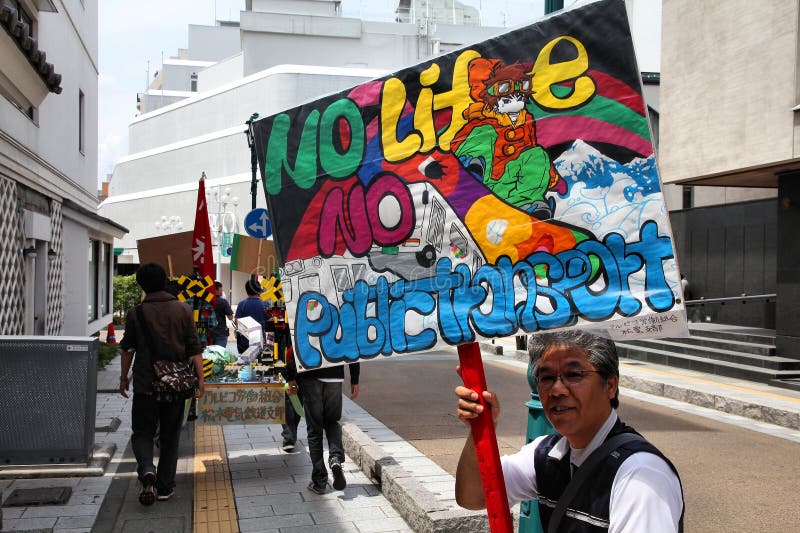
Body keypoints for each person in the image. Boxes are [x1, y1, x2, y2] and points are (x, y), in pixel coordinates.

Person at [454, 330, 684, 531]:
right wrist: (481, 429)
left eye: (574, 375)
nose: (557, 389)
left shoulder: (640, 474)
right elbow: (474, 496)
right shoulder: (547, 454)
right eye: (546, 377)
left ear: (611, 385)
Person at [119, 263, 205, 505]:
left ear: (141, 285)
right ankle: (165, 487)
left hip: (146, 384)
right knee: (170, 436)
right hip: (175, 385)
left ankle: (147, 468)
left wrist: (123, 378)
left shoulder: (136, 313)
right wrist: (200, 379)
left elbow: (127, 349)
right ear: (165, 281)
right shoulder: (182, 309)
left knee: (142, 433)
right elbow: (194, 348)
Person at [296, 362, 360, 494]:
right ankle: (335, 458)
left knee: (314, 429)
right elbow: (351, 346)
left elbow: (293, 348)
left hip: (309, 375)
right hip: (334, 376)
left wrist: (291, 377)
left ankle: (319, 481)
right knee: (332, 422)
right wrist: (355, 379)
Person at [210, 281, 234, 348]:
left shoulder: (206, 301)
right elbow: (230, 317)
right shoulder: (223, 302)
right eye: (221, 290)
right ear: (216, 290)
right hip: (221, 332)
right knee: (220, 354)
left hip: (209, 332)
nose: (222, 291)